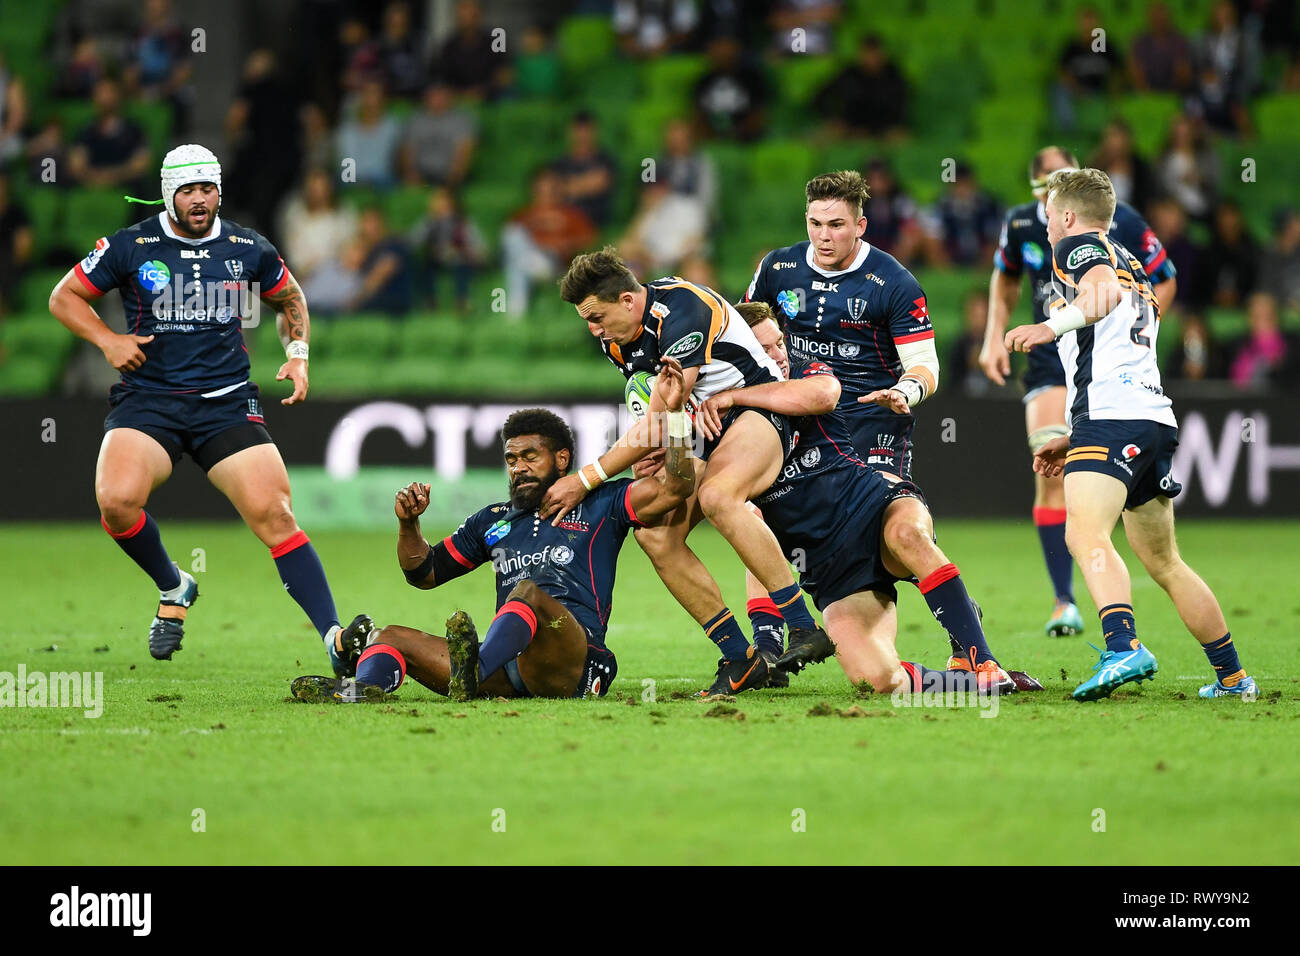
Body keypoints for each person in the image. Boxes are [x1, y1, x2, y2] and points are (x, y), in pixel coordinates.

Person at [47, 144, 366, 675]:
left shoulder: (247, 245)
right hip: (149, 403)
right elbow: (64, 297)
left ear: (219, 191)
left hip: (225, 406)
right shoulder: (132, 244)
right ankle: (175, 584)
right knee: (117, 501)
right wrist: (107, 341)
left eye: (208, 189)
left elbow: (290, 299)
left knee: (278, 516)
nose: (199, 201)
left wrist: (299, 355)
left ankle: (334, 638)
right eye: (188, 191)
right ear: (169, 195)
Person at [1005, 167, 1257, 701]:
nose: (1045, 223)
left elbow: (1101, 298)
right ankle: (1234, 678)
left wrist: (1047, 327)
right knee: (1165, 562)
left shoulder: (1075, 249)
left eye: (1049, 213)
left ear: (1069, 216)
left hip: (1113, 418)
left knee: (1084, 533)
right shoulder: (1134, 262)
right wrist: (1074, 439)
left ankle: (1123, 648)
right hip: (1150, 419)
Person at [702, 301, 1043, 696]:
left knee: (907, 535)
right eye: (767, 350)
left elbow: (824, 395)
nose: (779, 355)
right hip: (829, 568)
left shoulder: (805, 370)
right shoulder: (720, 424)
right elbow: (746, 530)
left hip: (872, 510)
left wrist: (739, 397)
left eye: (780, 342)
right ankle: (968, 682)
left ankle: (983, 661)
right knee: (876, 678)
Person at [290, 376, 697, 703]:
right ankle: (359, 691)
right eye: (511, 459)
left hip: (574, 656)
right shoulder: (493, 520)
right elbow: (424, 572)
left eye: (529, 457)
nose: (518, 468)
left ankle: (471, 673)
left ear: (561, 460)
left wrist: (675, 414)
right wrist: (409, 526)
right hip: (508, 665)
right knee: (391, 636)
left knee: (527, 594)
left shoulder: (603, 502)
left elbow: (675, 488)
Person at [550, 247, 833, 695]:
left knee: (719, 496)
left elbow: (660, 416)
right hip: (702, 433)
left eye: (597, 316)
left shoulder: (681, 308)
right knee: (654, 533)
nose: (593, 329)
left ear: (627, 300)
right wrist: (662, 448)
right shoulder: (616, 341)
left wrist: (585, 478)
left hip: (757, 411)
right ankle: (741, 658)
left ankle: (802, 626)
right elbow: (667, 411)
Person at [979, 146, 1178, 638]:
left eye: (1056, 182)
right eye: (1042, 185)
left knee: (1086, 520)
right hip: (1056, 361)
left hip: (1090, 356)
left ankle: (1118, 632)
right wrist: (992, 336)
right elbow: (1003, 279)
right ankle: (1064, 600)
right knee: (1051, 475)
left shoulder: (1108, 225)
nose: (1048, 197)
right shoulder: (1022, 223)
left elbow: (1157, 281)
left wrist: (1125, 339)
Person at [744, 170, 938, 482]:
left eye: (836, 225)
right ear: (806, 217)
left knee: (900, 527)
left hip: (869, 421)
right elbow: (744, 335)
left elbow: (925, 364)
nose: (824, 236)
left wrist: (904, 390)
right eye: (816, 224)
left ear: (860, 226)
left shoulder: (895, 283)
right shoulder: (778, 268)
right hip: (796, 419)